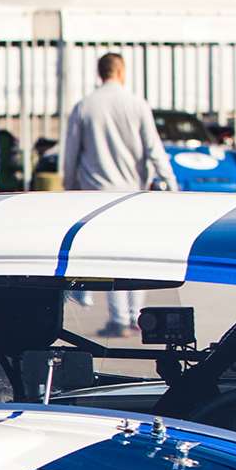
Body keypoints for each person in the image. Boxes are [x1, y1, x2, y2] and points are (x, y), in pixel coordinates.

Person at [60, 52, 175, 334]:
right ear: (122, 72)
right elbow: (154, 149)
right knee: (137, 254)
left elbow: (71, 154)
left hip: (96, 194)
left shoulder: (84, 106)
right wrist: (171, 185)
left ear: (100, 73)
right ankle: (136, 316)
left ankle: (119, 318)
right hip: (134, 193)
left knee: (110, 255)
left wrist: (69, 187)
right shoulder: (137, 105)